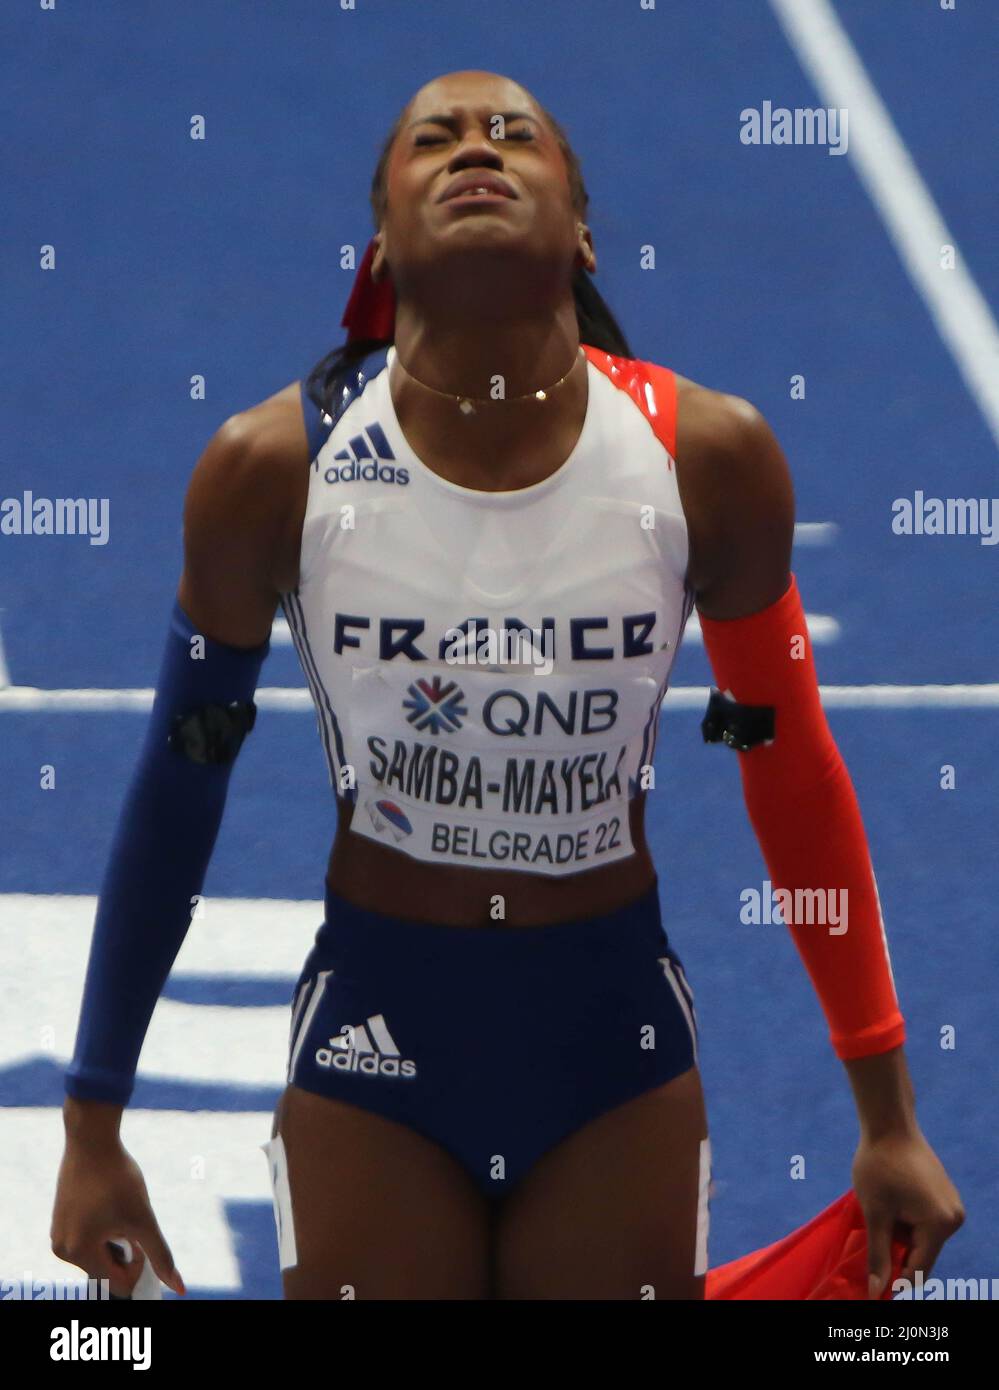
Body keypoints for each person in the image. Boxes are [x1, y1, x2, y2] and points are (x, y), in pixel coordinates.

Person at [51, 70, 963, 1301]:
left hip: (612, 1053)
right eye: (435, 140)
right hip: (376, 1044)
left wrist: (887, 1111)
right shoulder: (271, 471)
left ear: (580, 233)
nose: (475, 148)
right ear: (382, 247)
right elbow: (176, 793)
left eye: (513, 136)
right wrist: (93, 1123)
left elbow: (792, 767)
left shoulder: (710, 459)